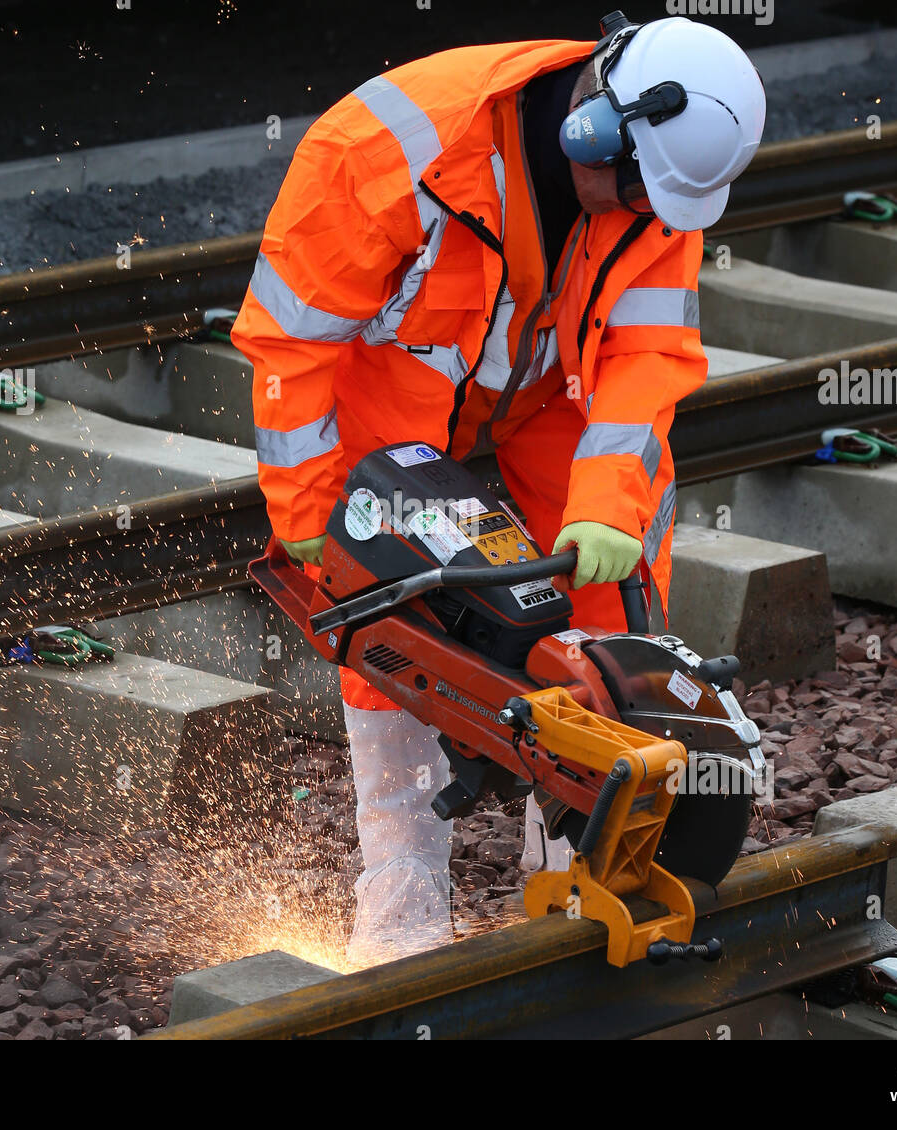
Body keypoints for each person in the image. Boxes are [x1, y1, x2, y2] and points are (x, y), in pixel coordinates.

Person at [232, 12, 766, 964]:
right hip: (397, 397)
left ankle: (574, 874)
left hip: (551, 387)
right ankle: (399, 910)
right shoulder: (384, 151)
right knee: (397, 626)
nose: (649, 217)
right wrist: (311, 512)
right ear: (593, 130)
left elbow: (649, 354)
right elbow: (289, 343)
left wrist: (606, 500)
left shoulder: (659, 183)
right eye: (642, 193)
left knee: (613, 597)